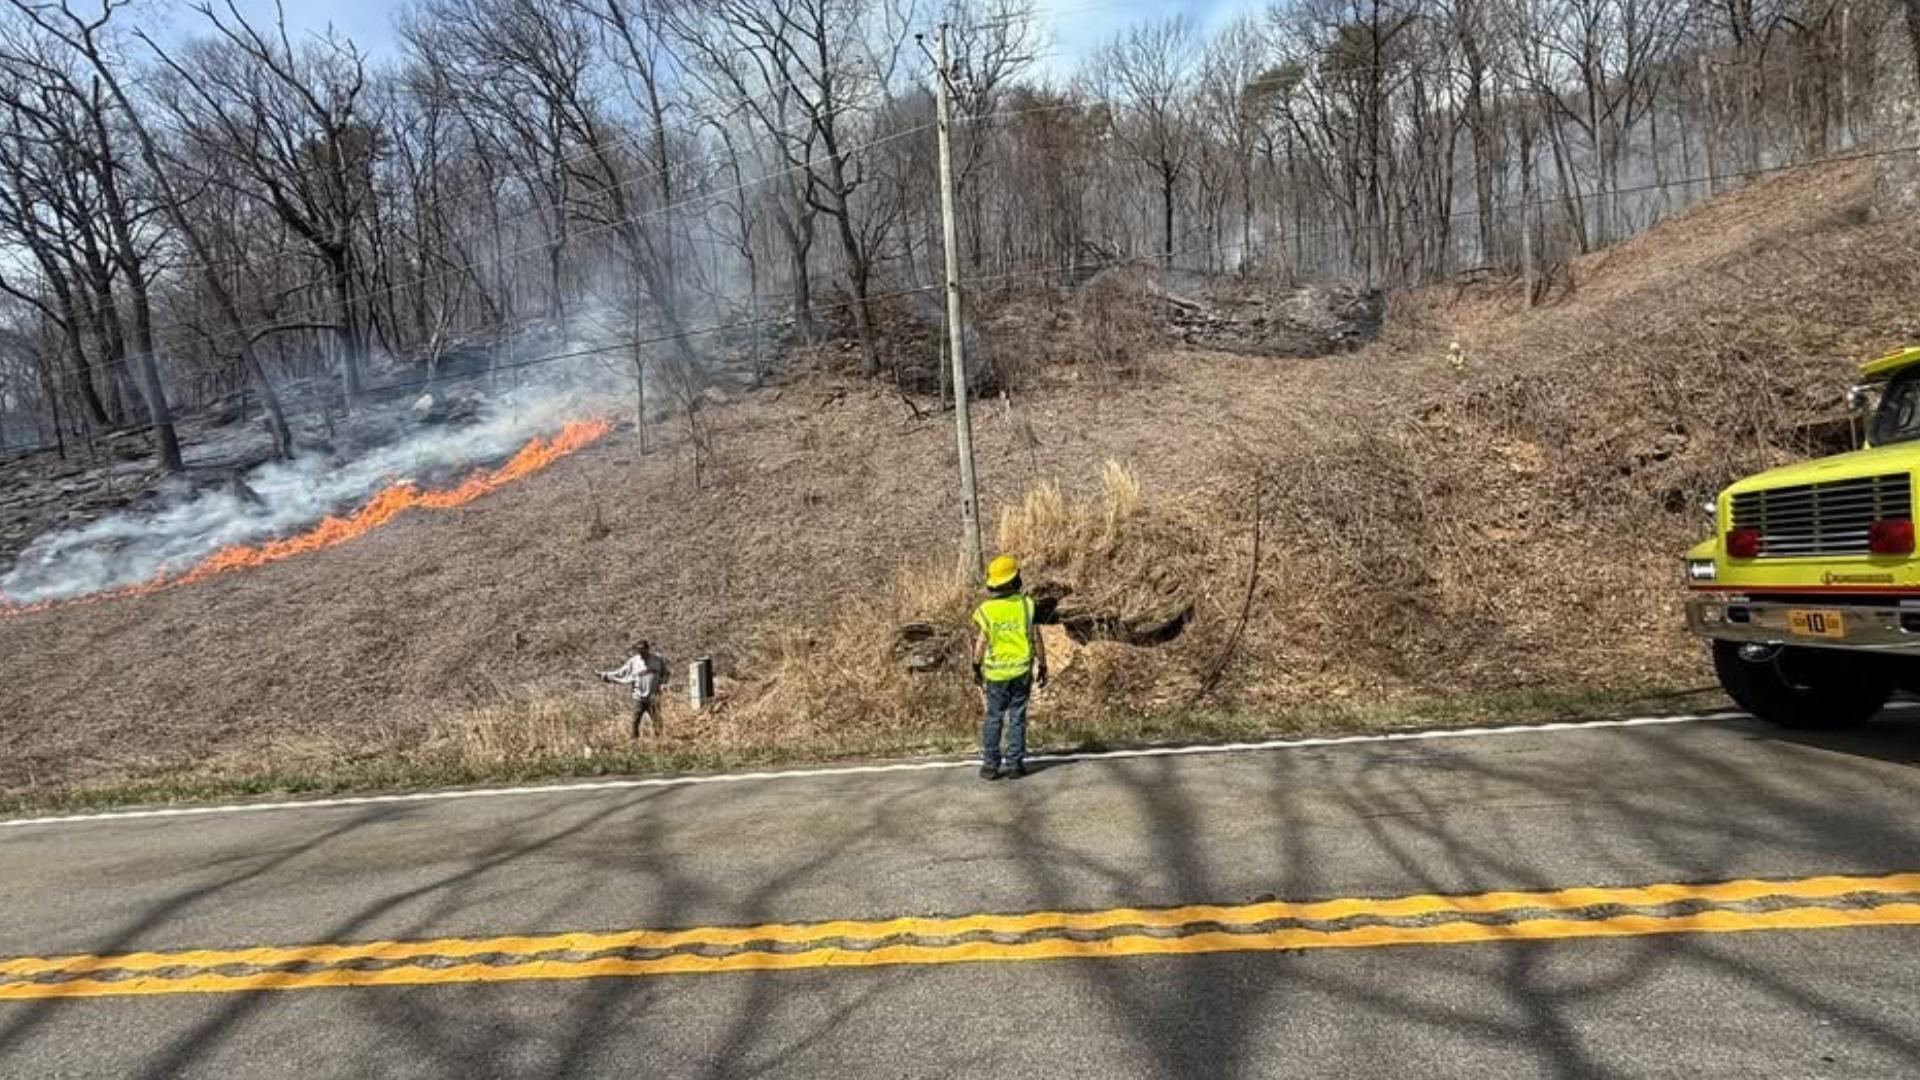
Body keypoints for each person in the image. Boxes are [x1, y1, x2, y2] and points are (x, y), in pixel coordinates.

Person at [971, 555, 1048, 781]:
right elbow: (1036, 638)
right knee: (1017, 717)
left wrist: (976, 666)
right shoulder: (1027, 605)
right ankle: (1015, 764)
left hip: (996, 675)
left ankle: (990, 766)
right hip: (1021, 672)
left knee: (994, 718)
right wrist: (1043, 664)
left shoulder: (986, 610)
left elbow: (981, 642)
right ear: (1016, 580)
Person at [600, 640, 669, 738]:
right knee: (635, 720)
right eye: (639, 651)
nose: (641, 653)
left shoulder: (657, 660)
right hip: (639, 697)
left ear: (648, 649)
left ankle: (660, 739)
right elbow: (621, 672)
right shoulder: (633, 661)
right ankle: (634, 740)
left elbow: (666, 673)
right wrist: (606, 675)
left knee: (657, 719)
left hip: (653, 697)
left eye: (643, 650)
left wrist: (663, 683)